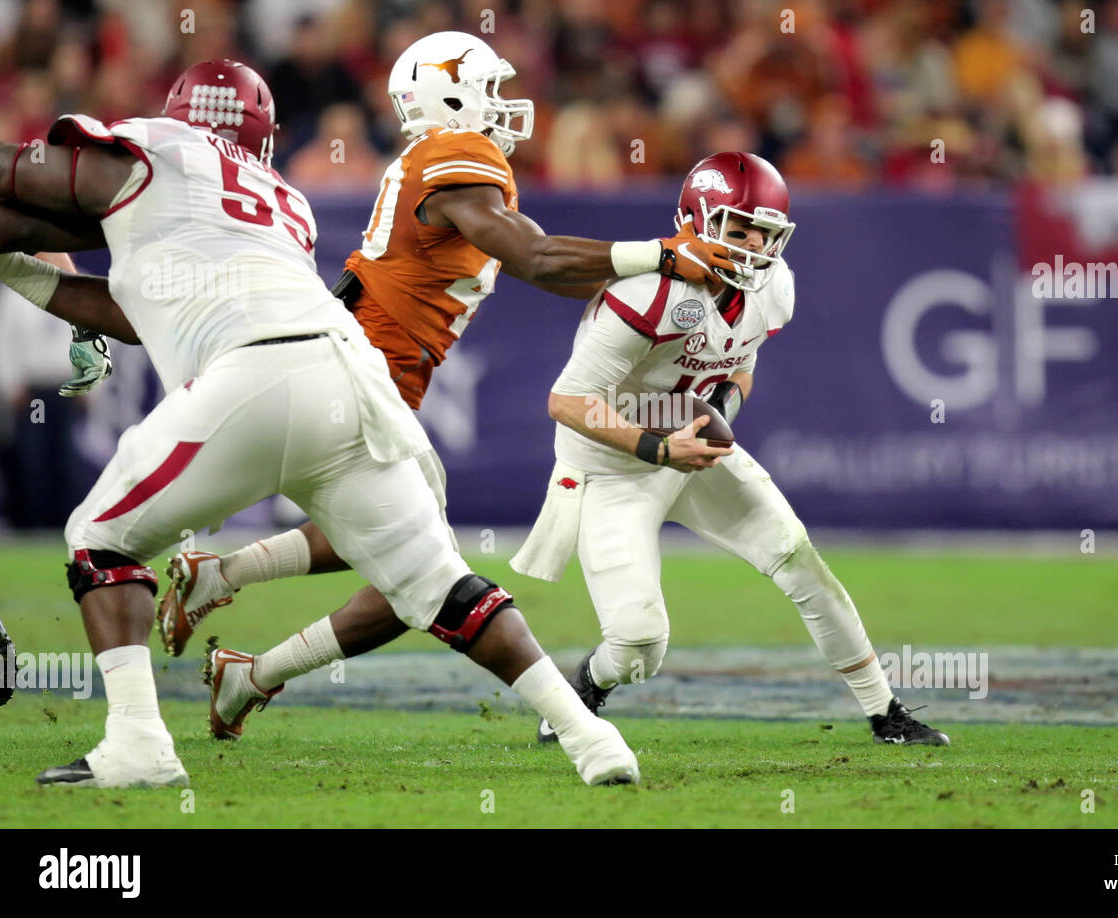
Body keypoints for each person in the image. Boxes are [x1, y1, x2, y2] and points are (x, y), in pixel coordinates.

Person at [0, 57, 640, 788]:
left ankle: (139, 741)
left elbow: (19, 178)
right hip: (351, 375)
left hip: (254, 377)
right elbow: (134, 307)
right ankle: (595, 741)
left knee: (100, 538)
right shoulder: (282, 199)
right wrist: (20, 264)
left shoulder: (157, 150)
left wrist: (12, 245)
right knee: (438, 584)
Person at [151, 34, 733, 738]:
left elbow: (559, 268)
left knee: (402, 557)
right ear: (449, 96)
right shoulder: (453, 153)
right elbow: (538, 260)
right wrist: (665, 253)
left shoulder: (458, 168)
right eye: (490, 87)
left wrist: (658, 270)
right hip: (354, 374)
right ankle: (239, 643)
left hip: (361, 375)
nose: (505, 103)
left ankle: (235, 628)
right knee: (424, 573)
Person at [514, 152, 949, 746]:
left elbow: (739, 363)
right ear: (695, 220)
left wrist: (722, 414)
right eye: (739, 229)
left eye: (766, 233)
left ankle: (886, 714)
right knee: (640, 645)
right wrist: (659, 448)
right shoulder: (650, 292)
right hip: (613, 464)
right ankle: (590, 683)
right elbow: (566, 401)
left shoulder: (771, 289)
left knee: (799, 560)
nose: (754, 246)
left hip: (692, 450)